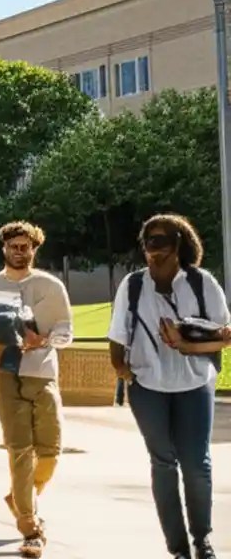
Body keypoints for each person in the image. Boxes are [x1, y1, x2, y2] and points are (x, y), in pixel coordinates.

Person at [108, 214, 231, 559]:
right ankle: (177, 549)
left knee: (196, 463)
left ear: (179, 244)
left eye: (160, 241)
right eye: (148, 242)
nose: (152, 249)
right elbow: (117, 337)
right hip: (148, 388)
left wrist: (187, 346)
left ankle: (202, 539)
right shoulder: (132, 286)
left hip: (194, 383)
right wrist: (124, 371)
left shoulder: (202, 283)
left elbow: (225, 336)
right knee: (163, 463)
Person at [0, 221, 73, 558]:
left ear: (34, 249)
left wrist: (42, 340)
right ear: (4, 248)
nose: (19, 252)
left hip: (42, 372)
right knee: (19, 449)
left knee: (50, 449)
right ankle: (30, 527)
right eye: (13, 246)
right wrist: (0, 343)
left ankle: (19, 497)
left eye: (24, 247)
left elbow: (66, 331)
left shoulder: (51, 285)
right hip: (4, 374)